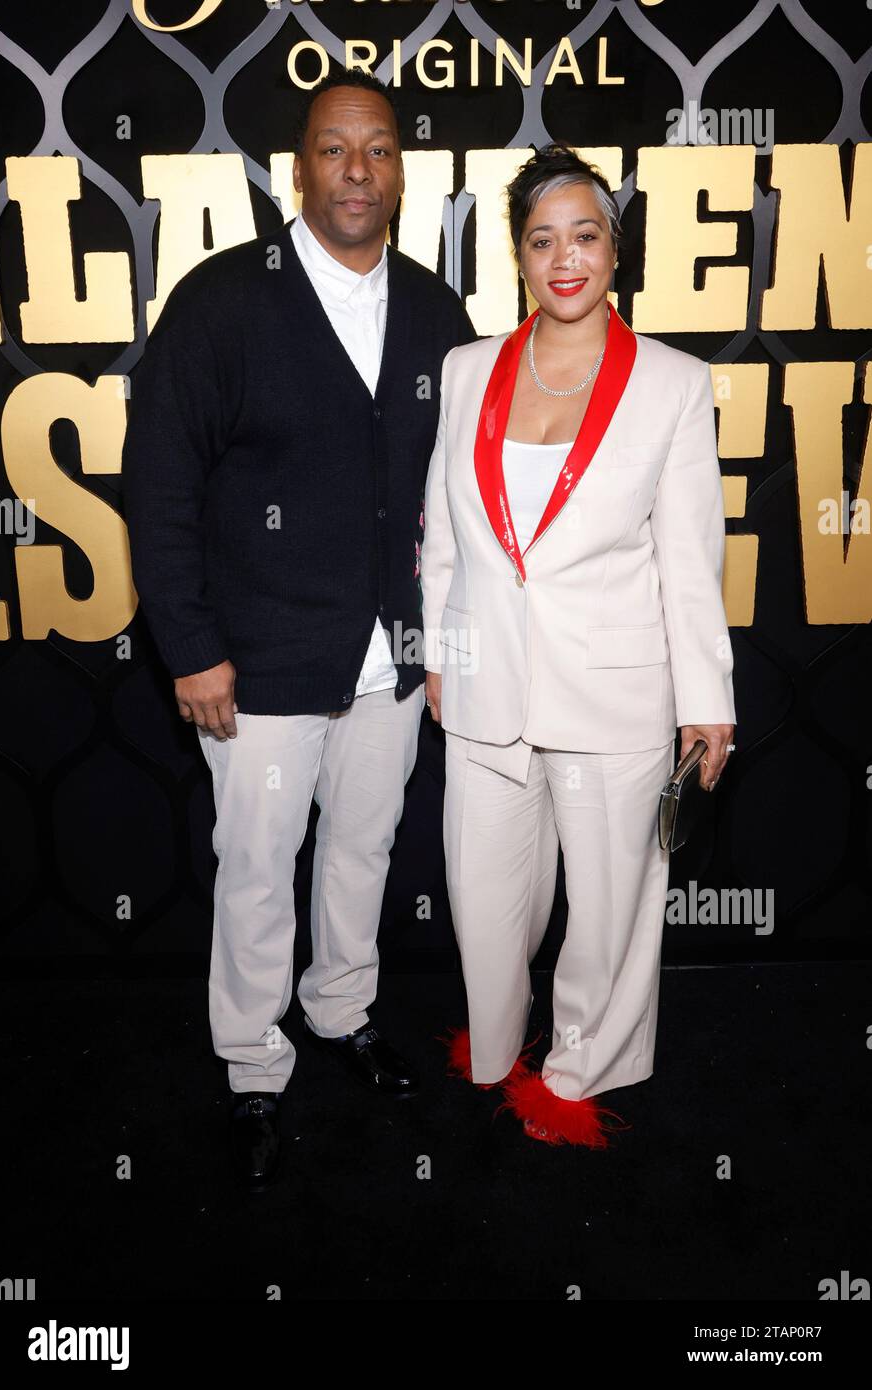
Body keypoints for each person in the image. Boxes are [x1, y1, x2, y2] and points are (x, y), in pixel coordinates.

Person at [122, 68, 478, 1191]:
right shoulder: (225, 301)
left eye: (378, 149)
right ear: (297, 169)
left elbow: (459, 496)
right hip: (256, 663)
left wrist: (440, 647)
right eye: (335, 149)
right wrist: (188, 644)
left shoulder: (434, 310)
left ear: (402, 171)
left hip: (391, 662)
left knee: (364, 852)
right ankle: (251, 1064)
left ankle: (341, 1010)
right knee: (258, 867)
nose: (358, 169)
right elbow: (161, 482)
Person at [420, 143, 736, 1148]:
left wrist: (708, 699)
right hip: (484, 686)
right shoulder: (468, 370)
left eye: (585, 236)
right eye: (543, 239)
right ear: (519, 255)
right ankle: (499, 1033)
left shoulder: (676, 386)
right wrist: (440, 651)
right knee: (485, 894)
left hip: (614, 691)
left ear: (615, 249)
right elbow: (442, 534)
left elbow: (691, 560)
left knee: (608, 903)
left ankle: (578, 1068)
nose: (566, 259)